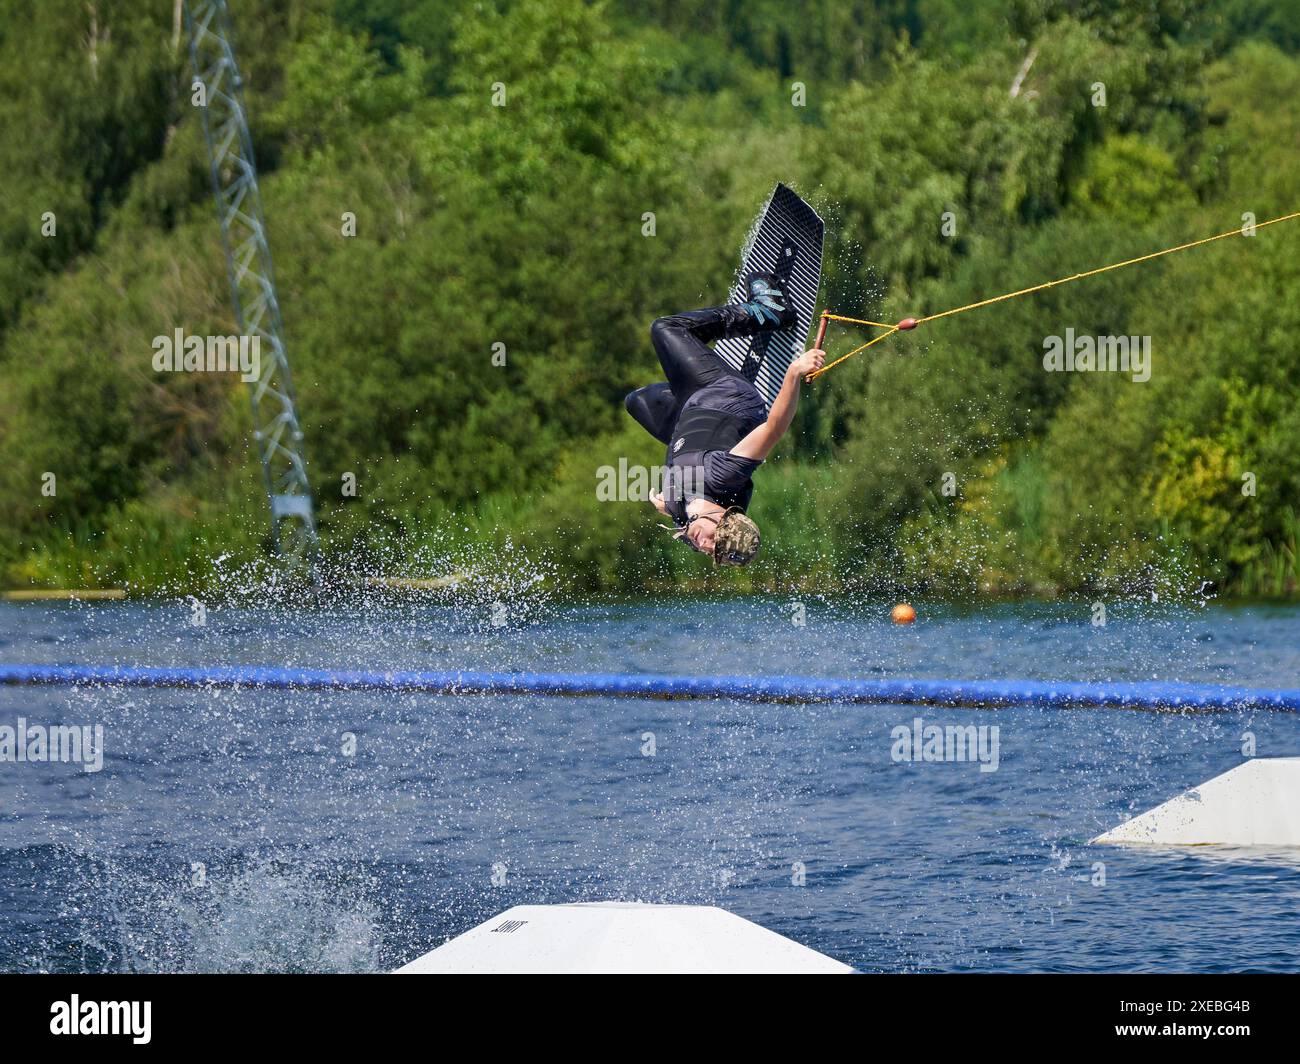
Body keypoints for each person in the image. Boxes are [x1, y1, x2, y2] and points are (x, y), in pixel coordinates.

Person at [624, 277, 826, 565]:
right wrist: (793, 373)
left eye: (712, 553)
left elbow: (680, 511)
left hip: (690, 412)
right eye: (713, 542)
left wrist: (665, 505)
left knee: (637, 401)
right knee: (666, 328)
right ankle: (769, 310)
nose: (704, 547)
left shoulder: (685, 518)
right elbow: (774, 428)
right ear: (723, 519)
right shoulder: (724, 477)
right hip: (726, 396)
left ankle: (692, 366)